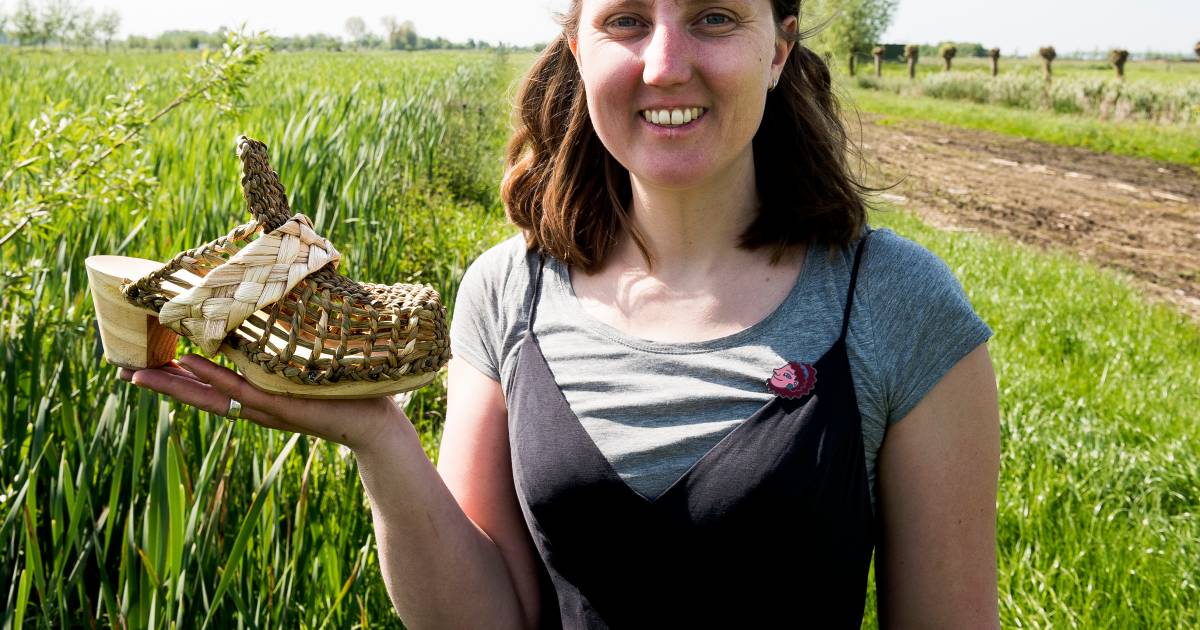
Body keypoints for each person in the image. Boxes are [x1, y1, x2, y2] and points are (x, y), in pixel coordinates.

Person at [122, 0, 1002, 627]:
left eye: (715, 17)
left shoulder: (892, 303)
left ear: (778, 48)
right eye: (626, 20)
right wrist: (379, 438)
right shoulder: (508, 294)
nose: (665, 62)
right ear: (579, 46)